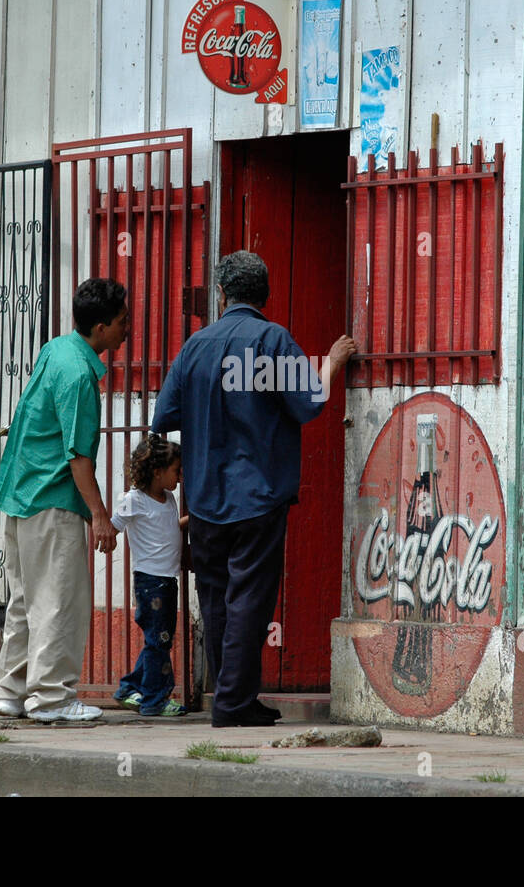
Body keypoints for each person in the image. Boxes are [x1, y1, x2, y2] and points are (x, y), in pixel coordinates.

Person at [152, 250, 357, 727]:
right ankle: (232, 702)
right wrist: (333, 362)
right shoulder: (271, 339)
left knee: (218, 597)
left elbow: (165, 417)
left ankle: (235, 697)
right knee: (249, 600)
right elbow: (309, 404)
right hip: (258, 497)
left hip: (204, 499)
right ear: (264, 294)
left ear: (222, 295)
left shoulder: (195, 346)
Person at [0, 277, 128, 723]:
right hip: (51, 499)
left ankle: (10, 692)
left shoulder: (56, 350)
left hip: (20, 492)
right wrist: (100, 516)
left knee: (25, 600)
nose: (127, 331)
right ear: (101, 327)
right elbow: (78, 456)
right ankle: (51, 698)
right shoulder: (80, 375)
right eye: (122, 323)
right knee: (57, 600)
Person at [110, 434, 190, 717]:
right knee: (160, 641)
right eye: (176, 470)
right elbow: (113, 526)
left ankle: (129, 688)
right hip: (151, 583)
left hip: (166, 581)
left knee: (158, 640)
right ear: (157, 472)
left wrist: (190, 521)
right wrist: (104, 535)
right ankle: (154, 700)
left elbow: (167, 528)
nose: (180, 476)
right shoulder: (134, 500)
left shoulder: (168, 498)